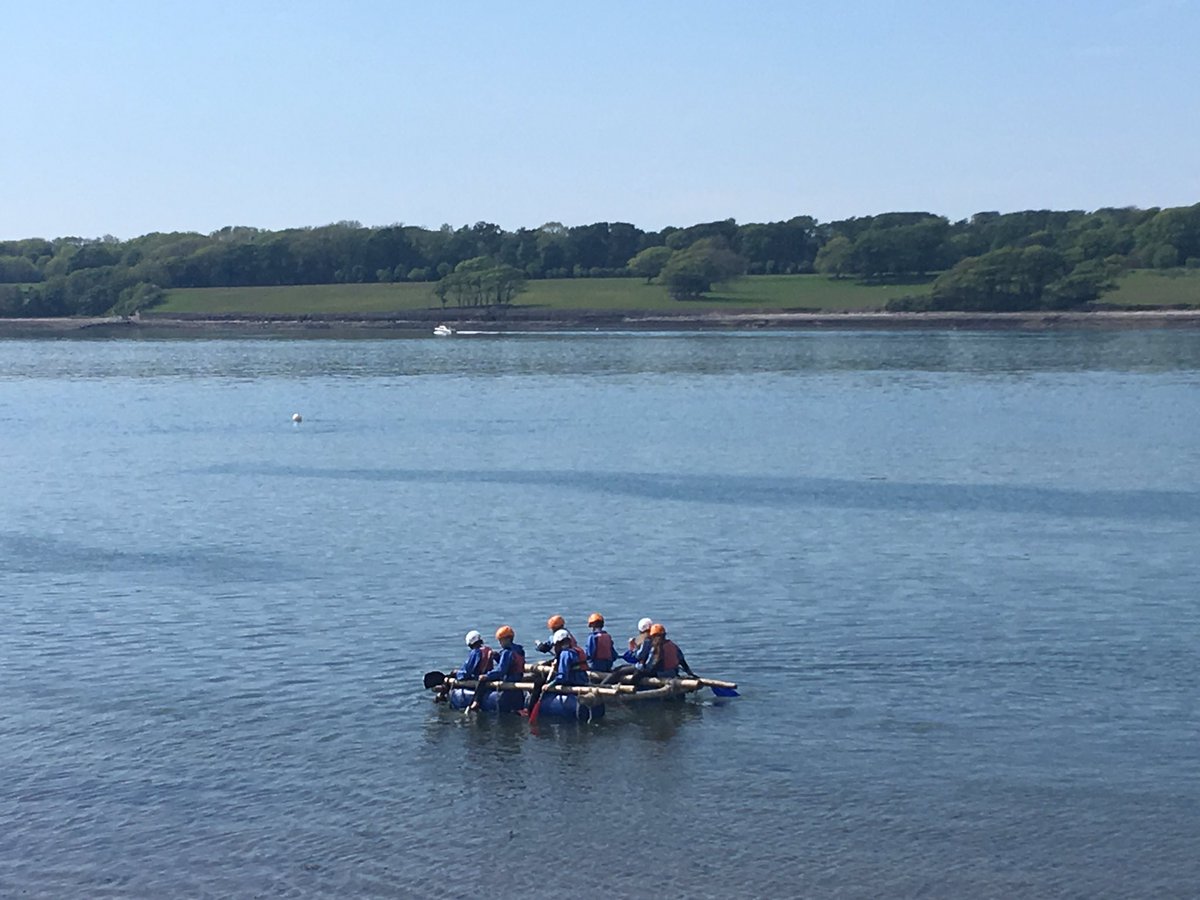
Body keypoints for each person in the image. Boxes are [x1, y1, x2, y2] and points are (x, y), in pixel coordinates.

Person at [468, 625, 526, 712]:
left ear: (507, 639)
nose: (500, 643)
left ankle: (476, 701)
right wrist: (497, 657)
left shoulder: (507, 652)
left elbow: (501, 670)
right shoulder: (519, 650)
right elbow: (510, 664)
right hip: (518, 677)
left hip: (509, 679)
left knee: (482, 679)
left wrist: (487, 676)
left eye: (500, 640)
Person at [602, 617, 654, 685]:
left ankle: (603, 684)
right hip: (645, 667)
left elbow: (639, 656)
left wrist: (633, 648)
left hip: (642, 668)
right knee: (619, 668)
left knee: (619, 671)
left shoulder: (647, 641)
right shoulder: (653, 639)